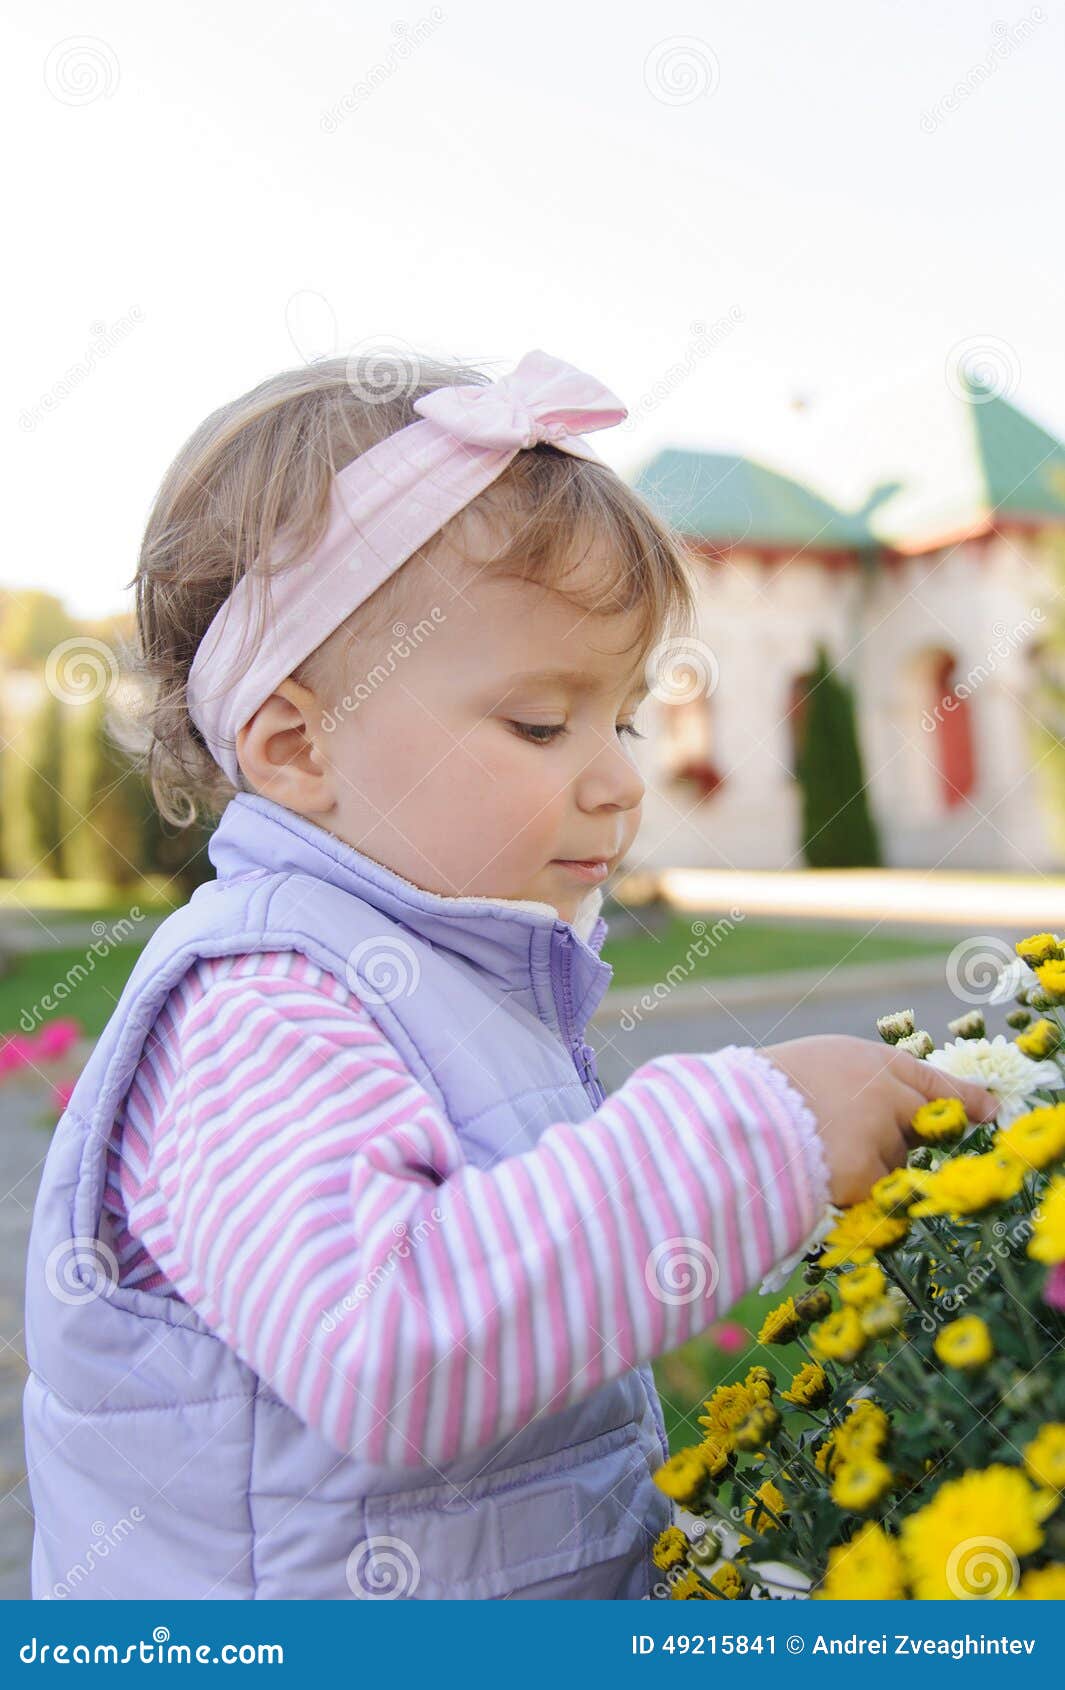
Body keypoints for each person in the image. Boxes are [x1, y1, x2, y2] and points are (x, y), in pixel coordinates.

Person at [23, 348, 996, 1601]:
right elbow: (387, 1349)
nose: (620, 778)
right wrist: (758, 1134)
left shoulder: (440, 980)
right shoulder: (254, 1006)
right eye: (543, 723)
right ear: (295, 742)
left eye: (626, 718)